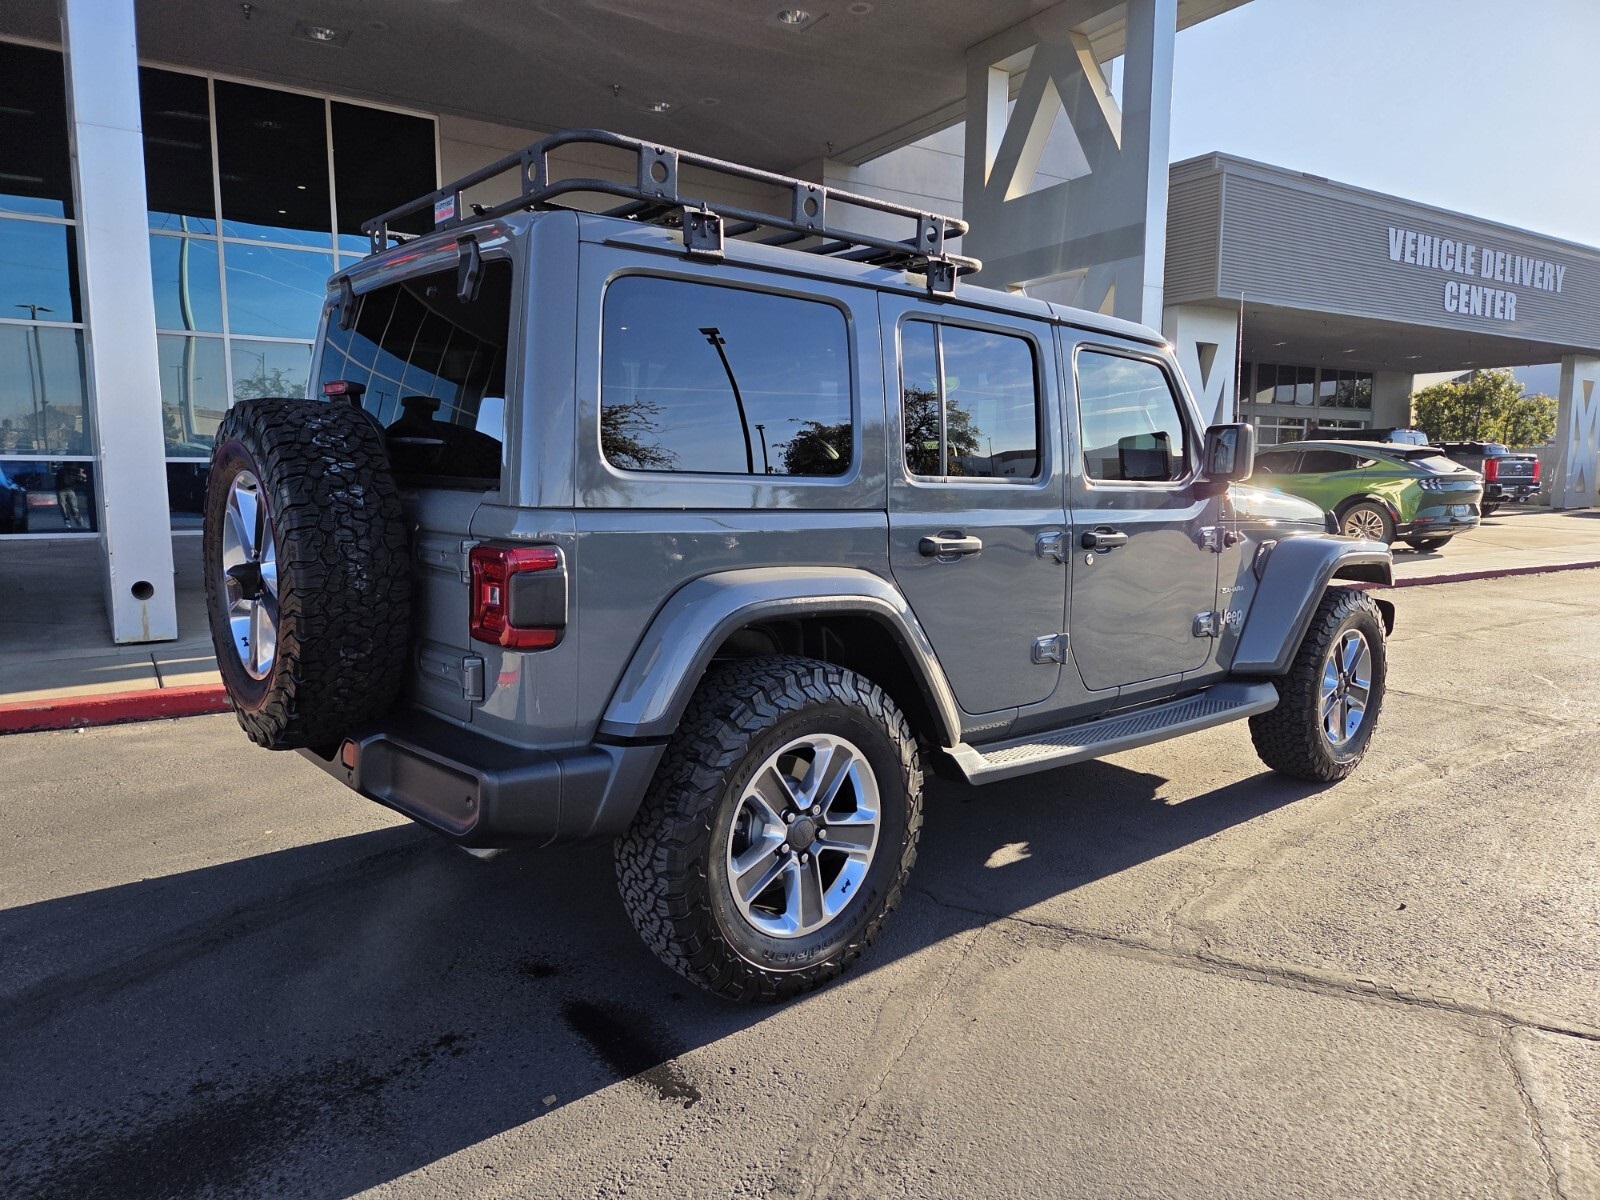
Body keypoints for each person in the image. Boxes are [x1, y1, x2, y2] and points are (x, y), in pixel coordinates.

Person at [55, 462, 89, 530]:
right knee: (63, 506)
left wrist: (82, 478)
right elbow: (60, 480)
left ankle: (79, 522)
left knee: (73, 507)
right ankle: (67, 520)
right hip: (62, 490)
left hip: (70, 490)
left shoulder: (73, 472)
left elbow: (79, 481)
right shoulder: (63, 471)